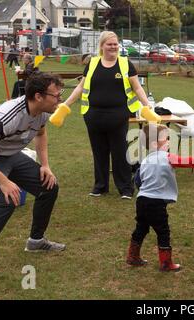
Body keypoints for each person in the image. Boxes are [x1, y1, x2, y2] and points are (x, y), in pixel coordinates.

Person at [0, 72, 66, 281]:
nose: (60, 100)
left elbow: (41, 134)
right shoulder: (7, 117)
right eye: (56, 95)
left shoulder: (43, 111)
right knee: (6, 200)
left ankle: (36, 241)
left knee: (49, 187)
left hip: (8, 155)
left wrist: (45, 165)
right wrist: (4, 181)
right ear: (38, 96)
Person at [63, 31, 150, 199]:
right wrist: (65, 105)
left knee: (120, 153)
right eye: (109, 44)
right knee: (99, 152)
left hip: (118, 117)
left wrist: (148, 106)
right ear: (102, 46)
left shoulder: (126, 64)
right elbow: (80, 87)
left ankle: (125, 189)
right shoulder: (92, 63)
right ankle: (100, 186)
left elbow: (137, 88)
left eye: (115, 44)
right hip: (93, 117)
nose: (113, 47)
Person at [126, 124, 194, 271]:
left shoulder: (145, 161)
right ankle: (166, 263)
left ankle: (132, 257)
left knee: (141, 228)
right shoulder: (167, 157)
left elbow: (138, 181)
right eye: (166, 139)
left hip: (142, 200)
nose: (169, 142)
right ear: (154, 144)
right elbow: (190, 161)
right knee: (163, 231)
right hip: (156, 203)